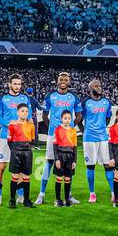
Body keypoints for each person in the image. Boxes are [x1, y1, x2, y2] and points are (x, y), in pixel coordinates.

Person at [37, 72, 79, 205]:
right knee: (49, 162)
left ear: (69, 82)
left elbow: (79, 115)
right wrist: (54, 129)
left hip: (68, 136)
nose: (63, 81)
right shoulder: (50, 95)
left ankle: (68, 195)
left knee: (69, 164)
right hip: (53, 135)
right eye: (61, 79)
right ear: (57, 81)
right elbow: (44, 115)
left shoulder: (74, 96)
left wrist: (69, 128)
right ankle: (41, 194)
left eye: (66, 79)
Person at [0, 74, 32, 205]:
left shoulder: (25, 98)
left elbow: (29, 117)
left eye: (19, 84)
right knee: (2, 166)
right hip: (5, 136)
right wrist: (10, 124)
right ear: (9, 84)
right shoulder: (2, 98)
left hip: (20, 138)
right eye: (15, 84)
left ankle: (20, 195)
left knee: (20, 167)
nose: (17, 86)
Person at [79, 79, 115, 204]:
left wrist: (102, 128)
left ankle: (113, 193)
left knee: (108, 165)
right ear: (90, 89)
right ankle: (92, 193)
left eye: (99, 85)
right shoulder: (85, 102)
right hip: (89, 138)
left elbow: (108, 118)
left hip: (103, 138)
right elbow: (79, 118)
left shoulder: (106, 102)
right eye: (96, 86)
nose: (99, 87)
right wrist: (85, 131)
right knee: (91, 166)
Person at [7, 103, 36, 208]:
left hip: (27, 153)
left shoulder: (31, 126)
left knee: (26, 177)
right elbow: (9, 140)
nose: (25, 113)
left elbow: (32, 140)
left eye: (26, 111)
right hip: (16, 152)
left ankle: (26, 200)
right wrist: (15, 150)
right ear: (17, 112)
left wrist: (26, 148)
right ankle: (12, 200)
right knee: (15, 176)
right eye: (22, 111)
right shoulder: (12, 125)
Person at [51, 111, 79, 207]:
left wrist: (75, 160)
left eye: (69, 118)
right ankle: (58, 199)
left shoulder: (73, 131)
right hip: (60, 155)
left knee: (68, 178)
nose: (67, 120)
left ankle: (67, 199)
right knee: (59, 178)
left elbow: (75, 147)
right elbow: (54, 146)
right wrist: (57, 159)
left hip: (70, 157)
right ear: (61, 119)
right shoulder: (57, 129)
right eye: (65, 118)